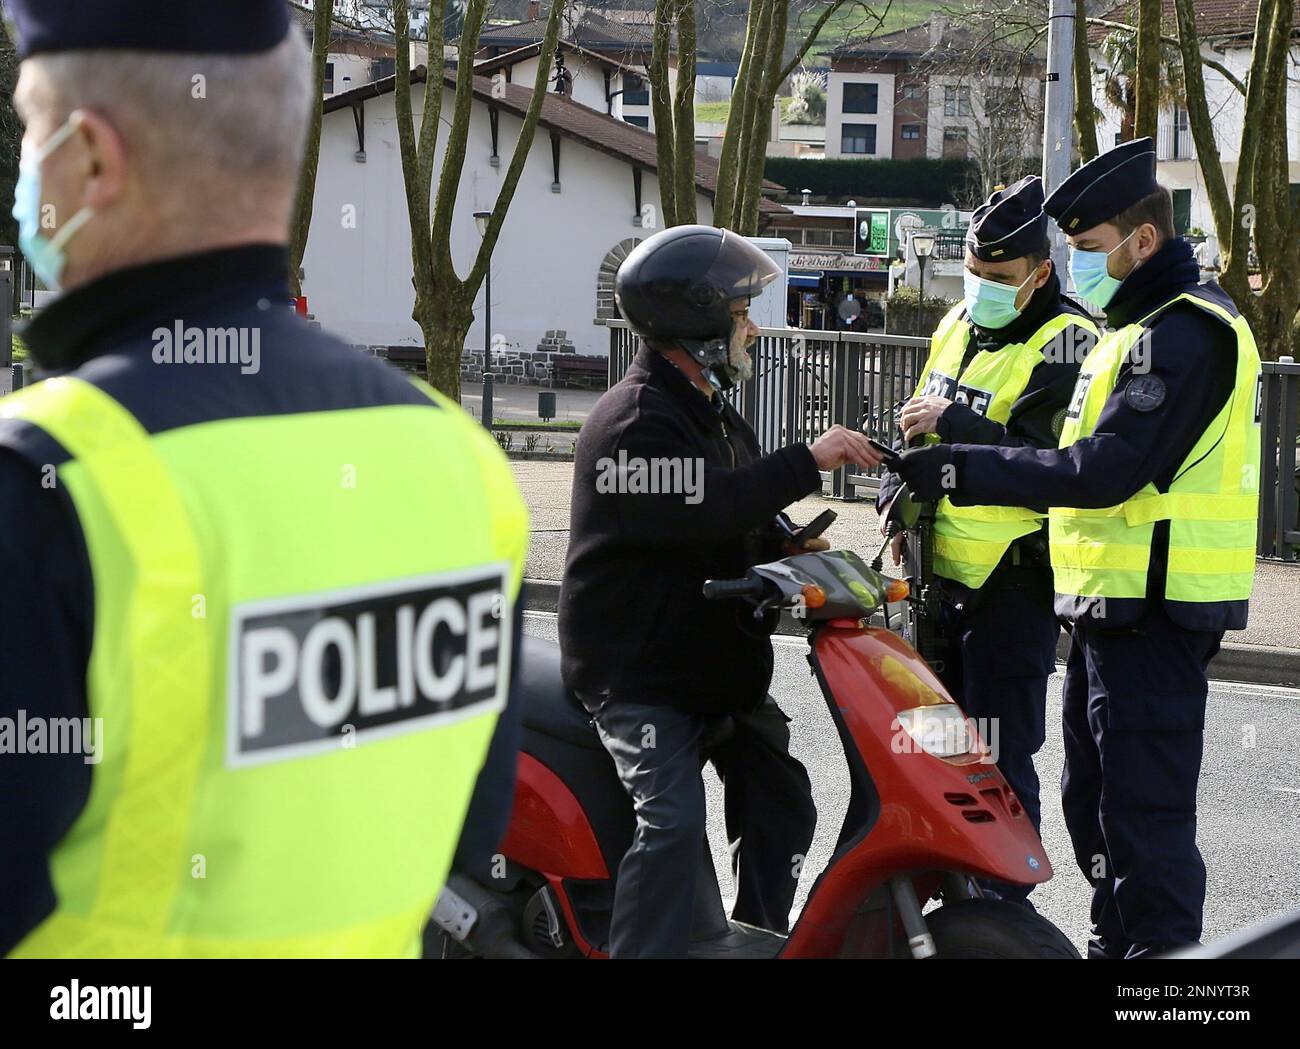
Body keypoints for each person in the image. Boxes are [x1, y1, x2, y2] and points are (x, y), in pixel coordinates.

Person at [0, 0, 527, 958]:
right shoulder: (459, 461)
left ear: (90, 158)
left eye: (33, 127)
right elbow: (468, 830)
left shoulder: (42, 479)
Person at [890, 138, 1262, 958]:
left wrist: (959, 463)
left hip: (1156, 616)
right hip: (1105, 610)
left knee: (1145, 822)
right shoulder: (1132, 331)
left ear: (1143, 241)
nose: (1080, 268)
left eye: (1090, 251)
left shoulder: (1186, 334)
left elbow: (1102, 472)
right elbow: (1066, 457)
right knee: (1094, 808)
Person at [558, 224, 884, 958]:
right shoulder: (635, 421)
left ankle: (753, 936)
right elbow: (705, 505)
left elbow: (732, 508)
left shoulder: (702, 402)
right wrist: (811, 457)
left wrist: (786, 544)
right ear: (700, 324)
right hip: (641, 674)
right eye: (741, 314)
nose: (752, 329)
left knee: (782, 800)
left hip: (707, 667)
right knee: (672, 822)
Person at [878, 176, 1098, 903]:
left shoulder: (1069, 340)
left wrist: (952, 426)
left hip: (1011, 590)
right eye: (973, 274)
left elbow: (1045, 463)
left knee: (1000, 768)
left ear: (1040, 274)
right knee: (938, 761)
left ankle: (1003, 922)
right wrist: (893, 498)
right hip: (938, 583)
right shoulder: (956, 323)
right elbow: (910, 422)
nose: (980, 288)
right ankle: (951, 913)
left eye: (999, 278)